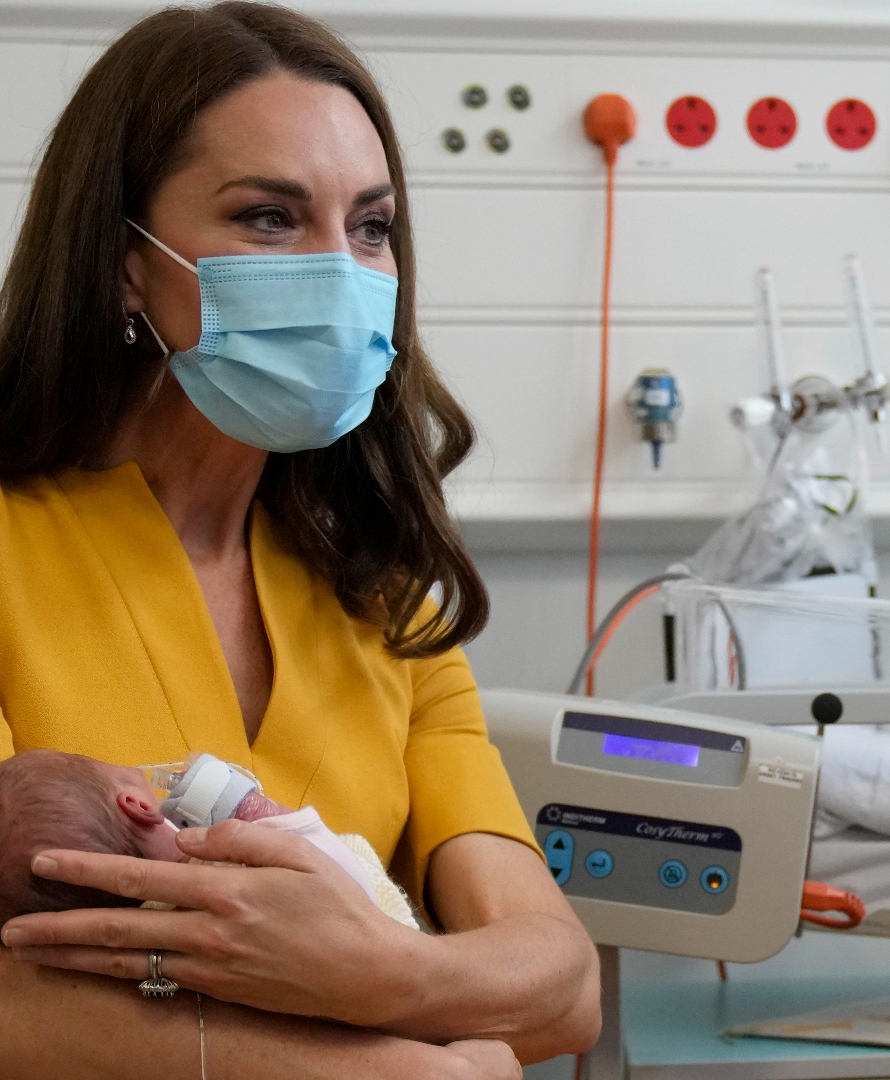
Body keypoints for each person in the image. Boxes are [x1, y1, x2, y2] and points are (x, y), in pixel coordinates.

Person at [0, 3, 601, 1077]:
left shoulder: (387, 598)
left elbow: (557, 984)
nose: (341, 271)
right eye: (270, 220)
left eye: (370, 228)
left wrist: (377, 975)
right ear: (122, 263)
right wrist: (411, 1068)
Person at [0, 749, 417, 929]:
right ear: (137, 805)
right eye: (117, 767)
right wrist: (261, 814)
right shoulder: (234, 869)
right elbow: (349, 895)